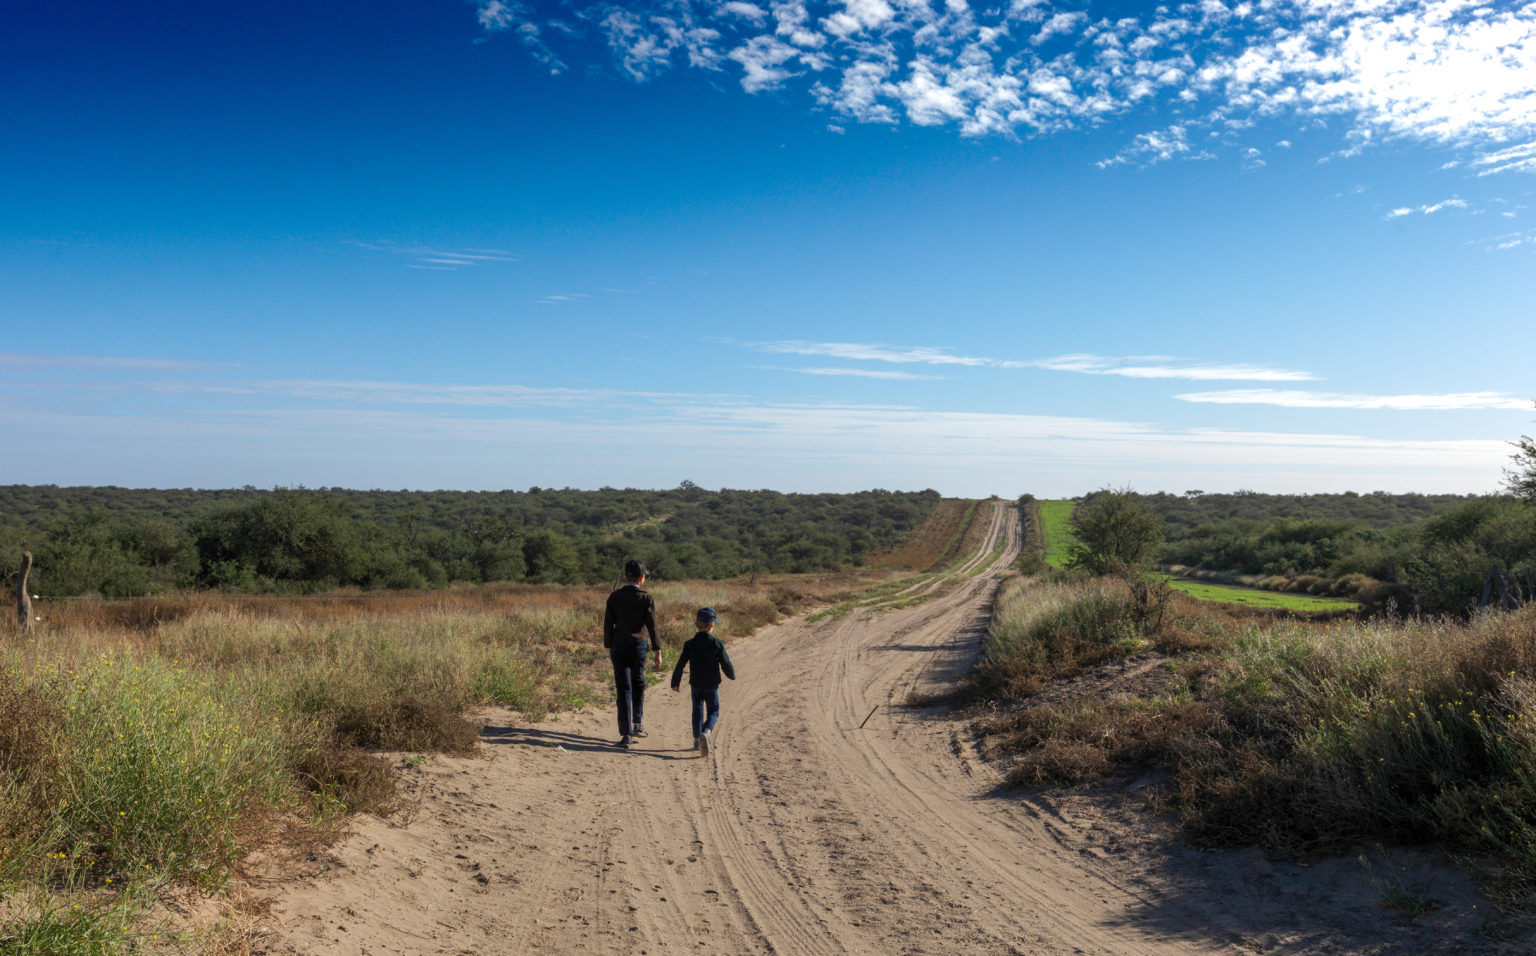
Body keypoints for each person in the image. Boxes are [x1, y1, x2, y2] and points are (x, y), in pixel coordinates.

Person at [603, 558, 662, 748]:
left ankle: (626, 735)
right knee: (638, 683)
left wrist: (609, 645)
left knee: (623, 689)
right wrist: (657, 650)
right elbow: (653, 627)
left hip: (619, 646)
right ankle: (638, 724)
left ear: (627, 576)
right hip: (639, 647)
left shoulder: (614, 597)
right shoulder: (646, 598)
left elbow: (607, 624)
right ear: (642, 578)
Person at [670, 606, 735, 757]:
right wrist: (731, 674)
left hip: (696, 684)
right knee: (713, 710)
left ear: (696, 624)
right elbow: (725, 662)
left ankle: (696, 738)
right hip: (711, 684)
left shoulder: (689, 644)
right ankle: (706, 732)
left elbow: (680, 664)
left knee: (697, 710)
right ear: (712, 625)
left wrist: (675, 682)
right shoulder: (717, 643)